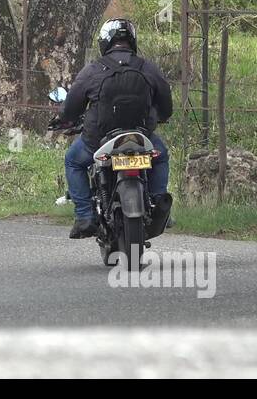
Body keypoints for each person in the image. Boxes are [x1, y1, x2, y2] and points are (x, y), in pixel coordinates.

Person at [53, 19, 173, 239]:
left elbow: (71, 106)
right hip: (140, 136)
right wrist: (160, 117)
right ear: (132, 41)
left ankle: (84, 216)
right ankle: (158, 202)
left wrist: (64, 120)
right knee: (161, 156)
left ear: (105, 42)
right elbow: (166, 104)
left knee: (73, 161)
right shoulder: (147, 67)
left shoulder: (93, 70)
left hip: (97, 139)